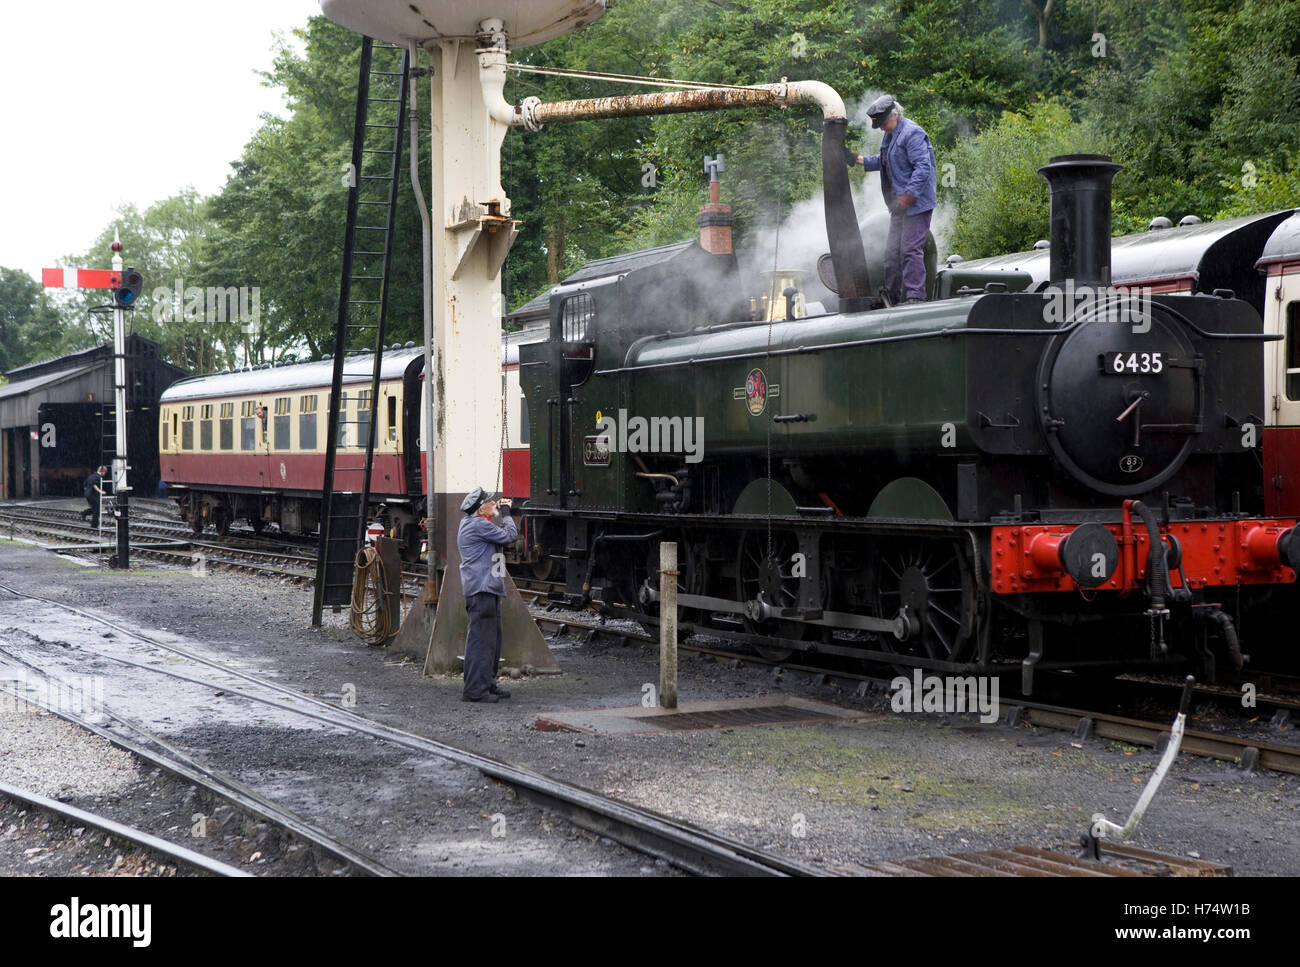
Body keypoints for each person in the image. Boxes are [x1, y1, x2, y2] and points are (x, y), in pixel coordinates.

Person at [848, 94, 937, 304]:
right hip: (899, 206)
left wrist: (906, 198)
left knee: (910, 250)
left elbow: (923, 169)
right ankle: (891, 296)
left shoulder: (912, 133)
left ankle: (916, 297)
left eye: (883, 123)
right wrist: (856, 159)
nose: (881, 128)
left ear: (894, 115)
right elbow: (884, 160)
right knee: (891, 254)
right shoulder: (890, 135)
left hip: (916, 205)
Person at [457, 486, 517, 703]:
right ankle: (475, 690)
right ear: (481, 510)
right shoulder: (478, 525)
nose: (495, 504)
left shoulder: (476, 524)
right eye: (491, 502)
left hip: (486, 590)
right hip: (481, 591)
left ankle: (488, 684)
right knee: (481, 642)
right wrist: (508, 514)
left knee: (491, 641)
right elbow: (510, 536)